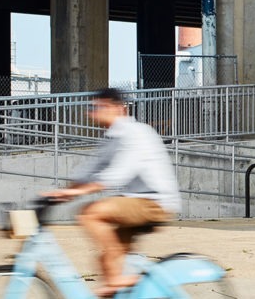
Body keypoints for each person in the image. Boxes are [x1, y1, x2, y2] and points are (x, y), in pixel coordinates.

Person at [43, 87, 181, 297]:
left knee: (90, 212)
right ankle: (126, 284)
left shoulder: (135, 133)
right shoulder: (111, 137)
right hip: (135, 201)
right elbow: (89, 171)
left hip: (154, 203)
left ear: (119, 109)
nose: (94, 112)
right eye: (92, 107)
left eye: (100, 106)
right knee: (106, 263)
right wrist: (60, 193)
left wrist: (75, 194)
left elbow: (117, 175)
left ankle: (122, 280)